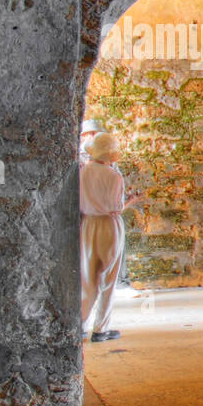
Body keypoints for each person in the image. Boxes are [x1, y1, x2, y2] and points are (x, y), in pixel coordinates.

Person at [80, 132, 126, 342]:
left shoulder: (83, 172)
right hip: (109, 226)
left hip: (88, 224)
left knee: (88, 277)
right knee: (108, 276)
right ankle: (101, 328)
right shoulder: (114, 176)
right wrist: (132, 200)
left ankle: (80, 323)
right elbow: (116, 207)